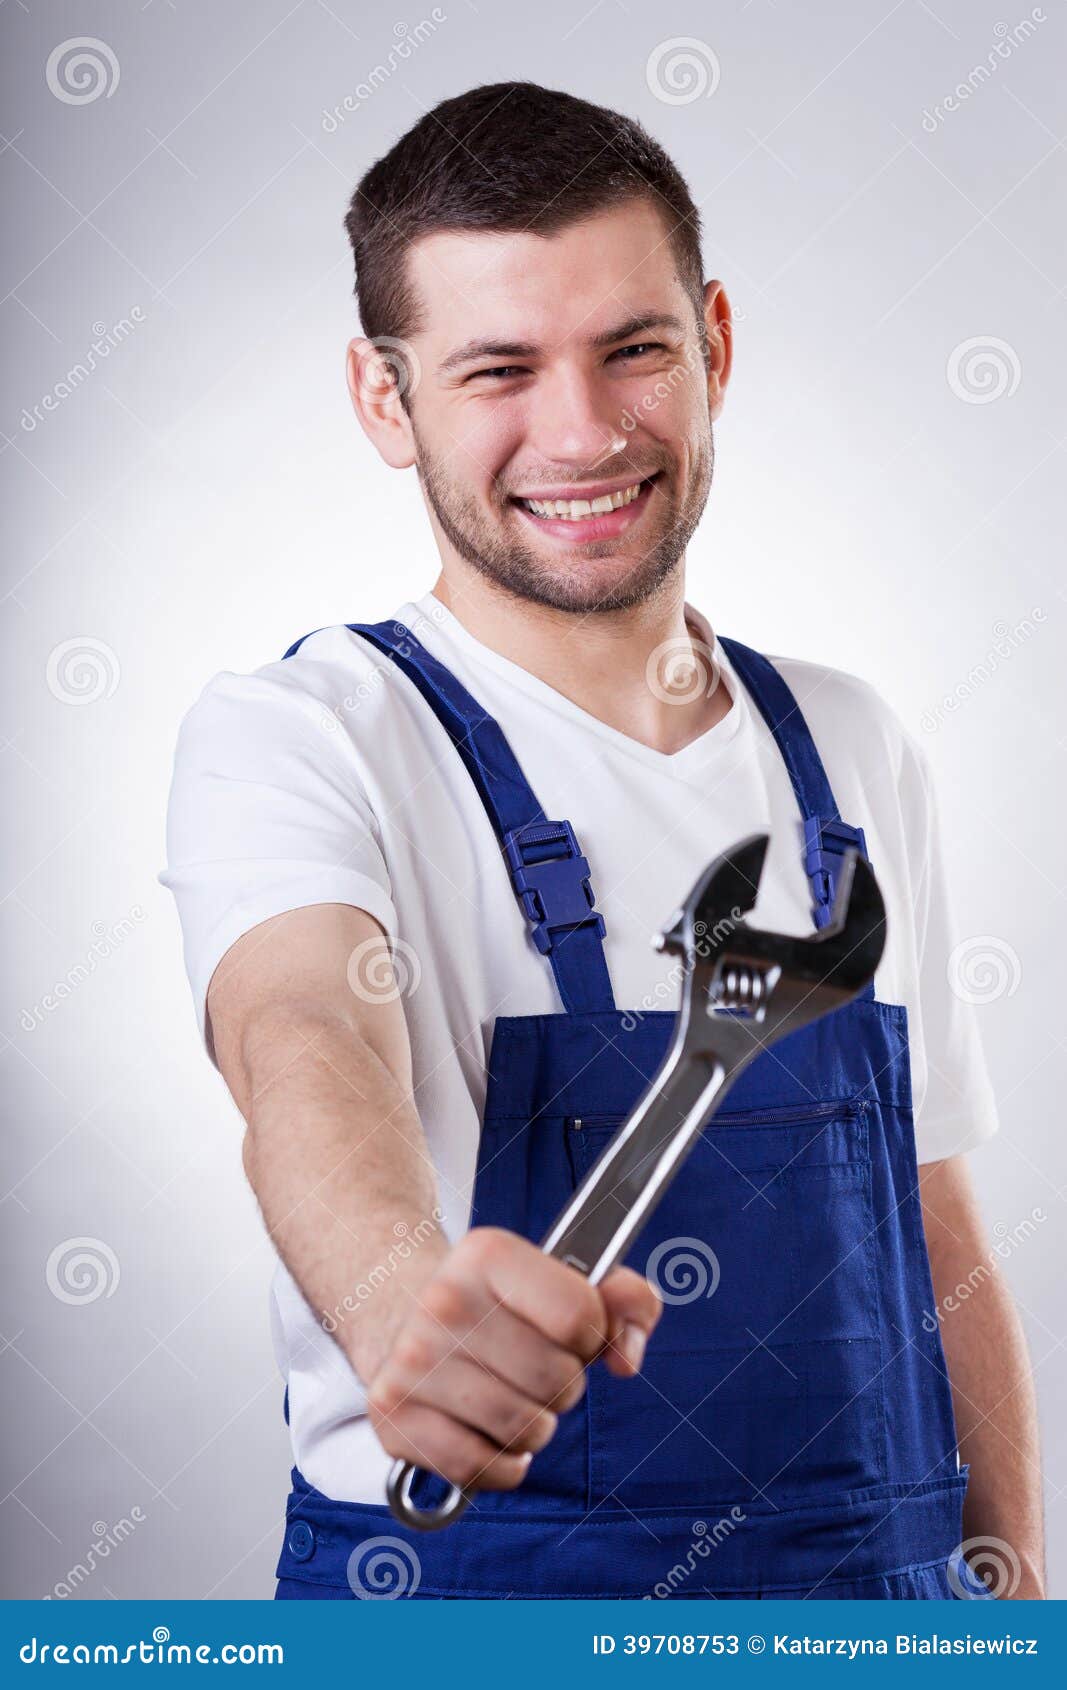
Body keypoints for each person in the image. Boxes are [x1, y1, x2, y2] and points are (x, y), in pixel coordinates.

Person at [160, 81, 1044, 1600]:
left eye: (631, 348)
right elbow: (297, 1030)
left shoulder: (850, 743)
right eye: (498, 368)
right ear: (388, 400)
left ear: (713, 342)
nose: (581, 431)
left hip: (874, 1604)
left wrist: (1013, 1583)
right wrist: (395, 1301)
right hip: (470, 1605)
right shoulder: (305, 731)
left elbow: (933, 1212)